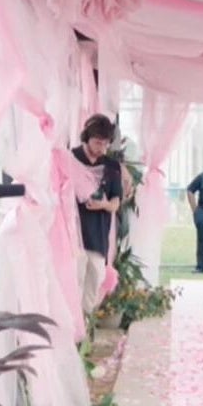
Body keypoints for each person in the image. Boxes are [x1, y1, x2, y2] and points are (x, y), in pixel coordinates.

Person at [73, 114, 123, 316]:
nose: (101, 148)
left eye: (105, 143)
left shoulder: (111, 166)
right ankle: (74, 325)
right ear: (87, 138)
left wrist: (103, 204)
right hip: (73, 235)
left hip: (98, 235)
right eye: (97, 142)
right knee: (74, 280)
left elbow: (115, 203)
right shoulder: (71, 159)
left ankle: (86, 323)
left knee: (95, 280)